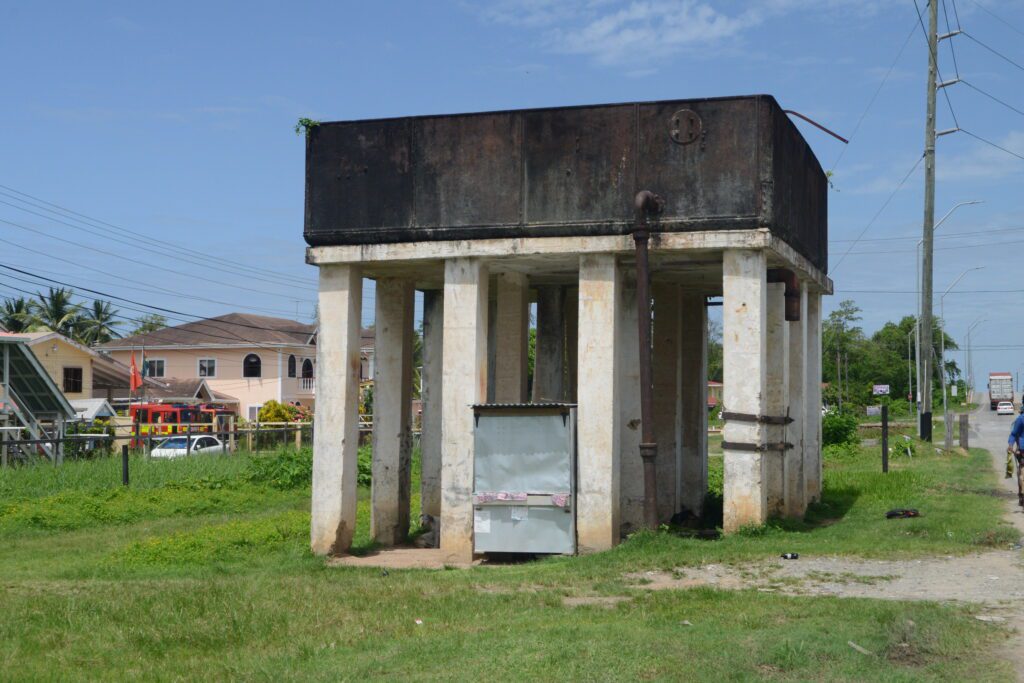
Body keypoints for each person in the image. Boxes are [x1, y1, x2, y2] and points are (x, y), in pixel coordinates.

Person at [1006, 404, 1024, 507]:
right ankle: (1021, 494)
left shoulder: (1020, 419)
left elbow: (1013, 434)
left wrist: (1011, 445)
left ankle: (1021, 494)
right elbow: (1014, 434)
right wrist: (1010, 444)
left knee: (1020, 474)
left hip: (1021, 450)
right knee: (1021, 473)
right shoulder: (1021, 419)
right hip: (1022, 451)